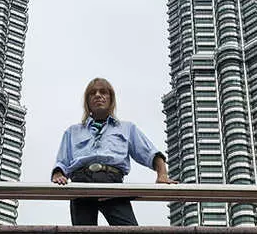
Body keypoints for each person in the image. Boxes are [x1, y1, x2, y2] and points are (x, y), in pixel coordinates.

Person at [51, 77, 176, 226]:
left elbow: (151, 153)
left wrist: (162, 174)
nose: (98, 95)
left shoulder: (126, 128)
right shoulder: (73, 131)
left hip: (113, 185)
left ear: (111, 99)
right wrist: (58, 174)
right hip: (81, 186)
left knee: (129, 230)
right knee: (82, 232)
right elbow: (61, 163)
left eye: (103, 92)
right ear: (87, 102)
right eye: (93, 93)